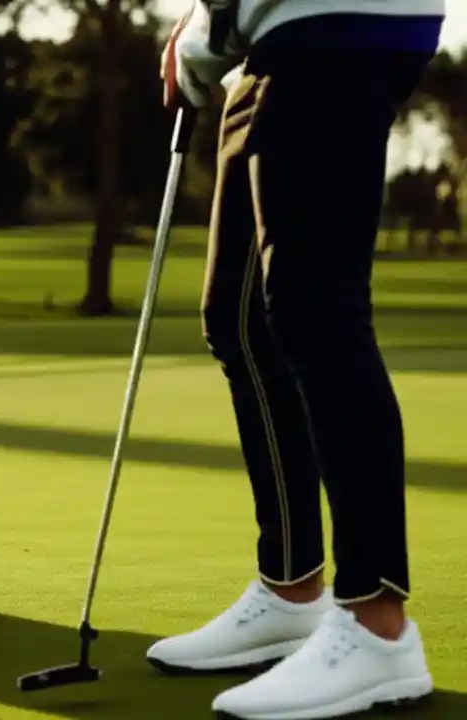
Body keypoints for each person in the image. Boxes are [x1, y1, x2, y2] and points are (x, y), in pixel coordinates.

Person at [153, 1, 445, 717]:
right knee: (241, 321)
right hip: (277, 38)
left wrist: (208, 33)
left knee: (318, 311)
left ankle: (377, 626)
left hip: (336, 21)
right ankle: (291, 588)